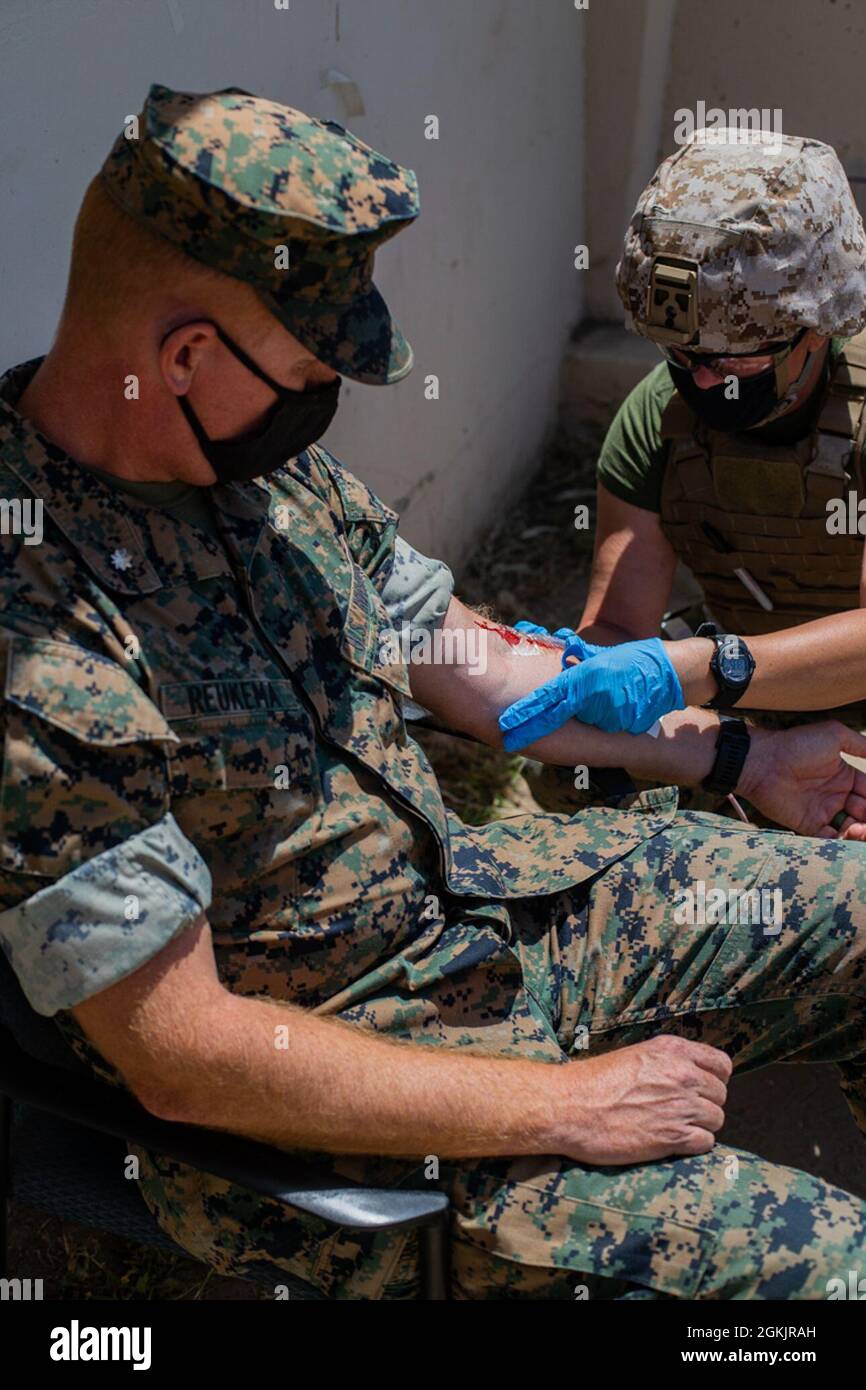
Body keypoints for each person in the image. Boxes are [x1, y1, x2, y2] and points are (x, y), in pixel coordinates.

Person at [3, 85, 866, 1301]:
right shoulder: (38, 644)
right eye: (306, 368)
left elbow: (484, 674)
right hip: (362, 1093)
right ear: (185, 356)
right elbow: (184, 1056)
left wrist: (737, 758)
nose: (322, 409)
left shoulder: (271, 483)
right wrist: (569, 1104)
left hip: (482, 919)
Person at [500, 128, 866, 808]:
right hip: (739, 683)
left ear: (820, 324)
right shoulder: (657, 420)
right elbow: (618, 626)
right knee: (584, 764)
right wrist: (592, 670)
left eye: (736, 356)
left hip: (775, 681)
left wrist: (705, 670)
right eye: (682, 351)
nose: (704, 378)